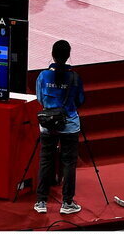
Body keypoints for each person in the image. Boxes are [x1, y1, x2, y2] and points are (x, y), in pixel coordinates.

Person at [34, 40, 86, 216]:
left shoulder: (42, 76)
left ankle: (41, 201)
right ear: (68, 55)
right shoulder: (74, 77)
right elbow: (80, 101)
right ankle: (67, 202)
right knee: (68, 163)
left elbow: (40, 98)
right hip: (69, 125)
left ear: (53, 54)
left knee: (45, 160)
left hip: (48, 125)